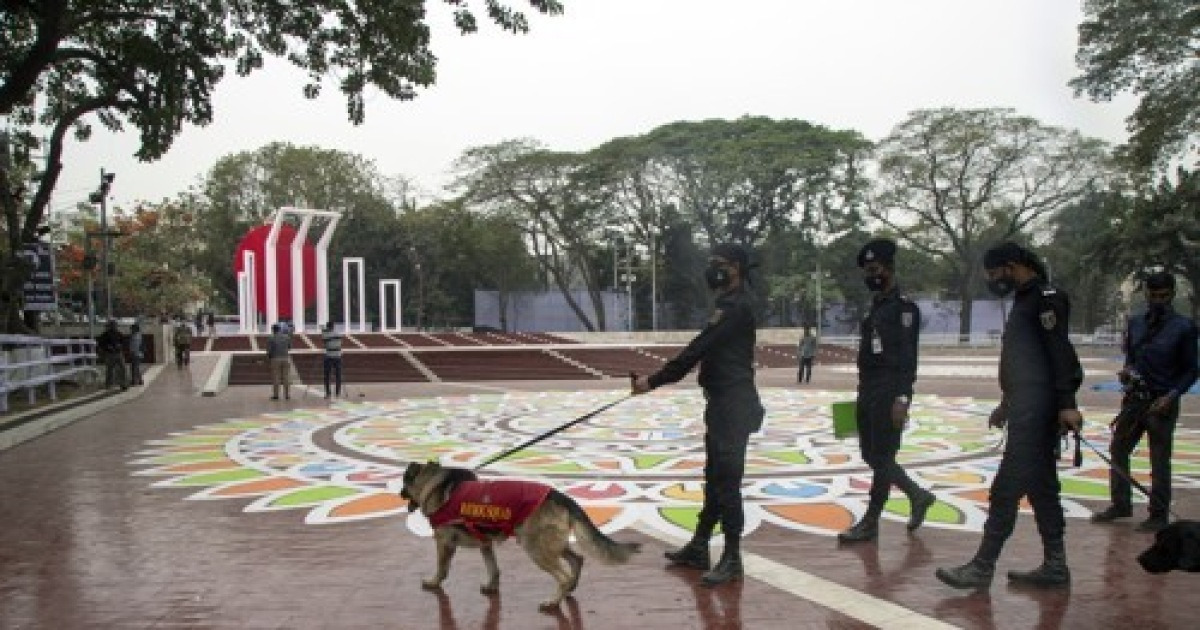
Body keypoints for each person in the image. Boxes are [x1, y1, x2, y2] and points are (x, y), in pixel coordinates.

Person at [936, 242, 1083, 589]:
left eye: (994, 274)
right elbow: (1023, 361)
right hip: (1026, 406)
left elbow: (1059, 352)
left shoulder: (1046, 298)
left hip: (1039, 411)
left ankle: (982, 567)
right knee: (1043, 490)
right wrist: (1006, 404)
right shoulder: (1025, 299)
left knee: (1006, 489)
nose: (993, 281)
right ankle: (1055, 566)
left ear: (1013, 266)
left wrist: (1067, 403)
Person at [631, 243, 766, 587]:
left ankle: (732, 557)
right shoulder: (728, 305)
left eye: (720, 264)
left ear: (736, 267)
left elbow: (697, 349)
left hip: (734, 406)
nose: (713, 270)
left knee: (728, 482)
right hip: (723, 403)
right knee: (716, 478)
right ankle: (700, 545)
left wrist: (653, 381)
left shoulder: (736, 308)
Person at [838, 238, 936, 543]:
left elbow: (908, 358)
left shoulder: (904, 309)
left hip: (890, 390)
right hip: (868, 389)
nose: (871, 276)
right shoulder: (876, 307)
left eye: (875, 269)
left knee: (882, 456)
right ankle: (917, 495)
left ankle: (871, 522)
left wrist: (902, 398)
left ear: (890, 268)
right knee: (870, 454)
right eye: (867, 271)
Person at [1092, 270, 1198, 532]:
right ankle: (1121, 504)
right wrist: (1127, 371)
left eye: (1164, 296)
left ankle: (1158, 514)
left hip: (1162, 401)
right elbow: (1131, 356)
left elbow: (1192, 370)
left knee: (1159, 460)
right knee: (1118, 449)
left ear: (1172, 294)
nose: (1158, 301)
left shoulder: (1184, 327)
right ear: (1146, 294)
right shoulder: (1135, 323)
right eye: (1153, 296)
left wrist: (1172, 396)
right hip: (1134, 400)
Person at [96, 320, 128, 391]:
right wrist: (107, 347)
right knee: (110, 370)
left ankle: (123, 384)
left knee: (122, 368)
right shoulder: (105, 335)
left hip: (119, 353)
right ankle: (109, 384)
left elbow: (124, 342)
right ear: (110, 326)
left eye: (115, 325)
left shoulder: (119, 334)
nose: (114, 327)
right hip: (110, 354)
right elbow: (100, 344)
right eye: (112, 325)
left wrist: (120, 345)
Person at [266, 323, 293, 400]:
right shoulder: (287, 337)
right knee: (286, 377)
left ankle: (276, 395)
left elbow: (269, 350)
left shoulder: (271, 338)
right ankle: (287, 395)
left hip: (275, 359)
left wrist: (268, 358)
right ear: (279, 329)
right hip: (285, 358)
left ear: (273, 330)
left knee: (276, 377)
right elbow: (289, 347)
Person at [322, 321, 344, 399]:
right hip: (338, 356)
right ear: (333, 326)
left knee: (327, 375)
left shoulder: (326, 334)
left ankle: (328, 393)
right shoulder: (338, 334)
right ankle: (338, 393)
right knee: (338, 375)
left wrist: (324, 331)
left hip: (329, 356)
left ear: (328, 327)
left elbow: (324, 341)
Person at [128, 322, 144, 386]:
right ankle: (140, 380)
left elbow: (135, 346)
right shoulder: (137, 335)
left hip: (136, 354)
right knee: (136, 368)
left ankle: (134, 381)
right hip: (137, 354)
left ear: (135, 329)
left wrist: (132, 353)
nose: (131, 330)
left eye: (132, 329)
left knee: (134, 368)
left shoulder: (136, 336)